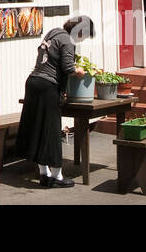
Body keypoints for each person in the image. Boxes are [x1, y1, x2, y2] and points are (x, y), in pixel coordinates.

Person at [20, 14, 92, 188]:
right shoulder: (67, 40)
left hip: (33, 82)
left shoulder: (53, 33)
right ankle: (57, 177)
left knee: (38, 128)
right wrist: (79, 71)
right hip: (47, 86)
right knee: (51, 131)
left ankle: (44, 174)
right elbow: (68, 67)